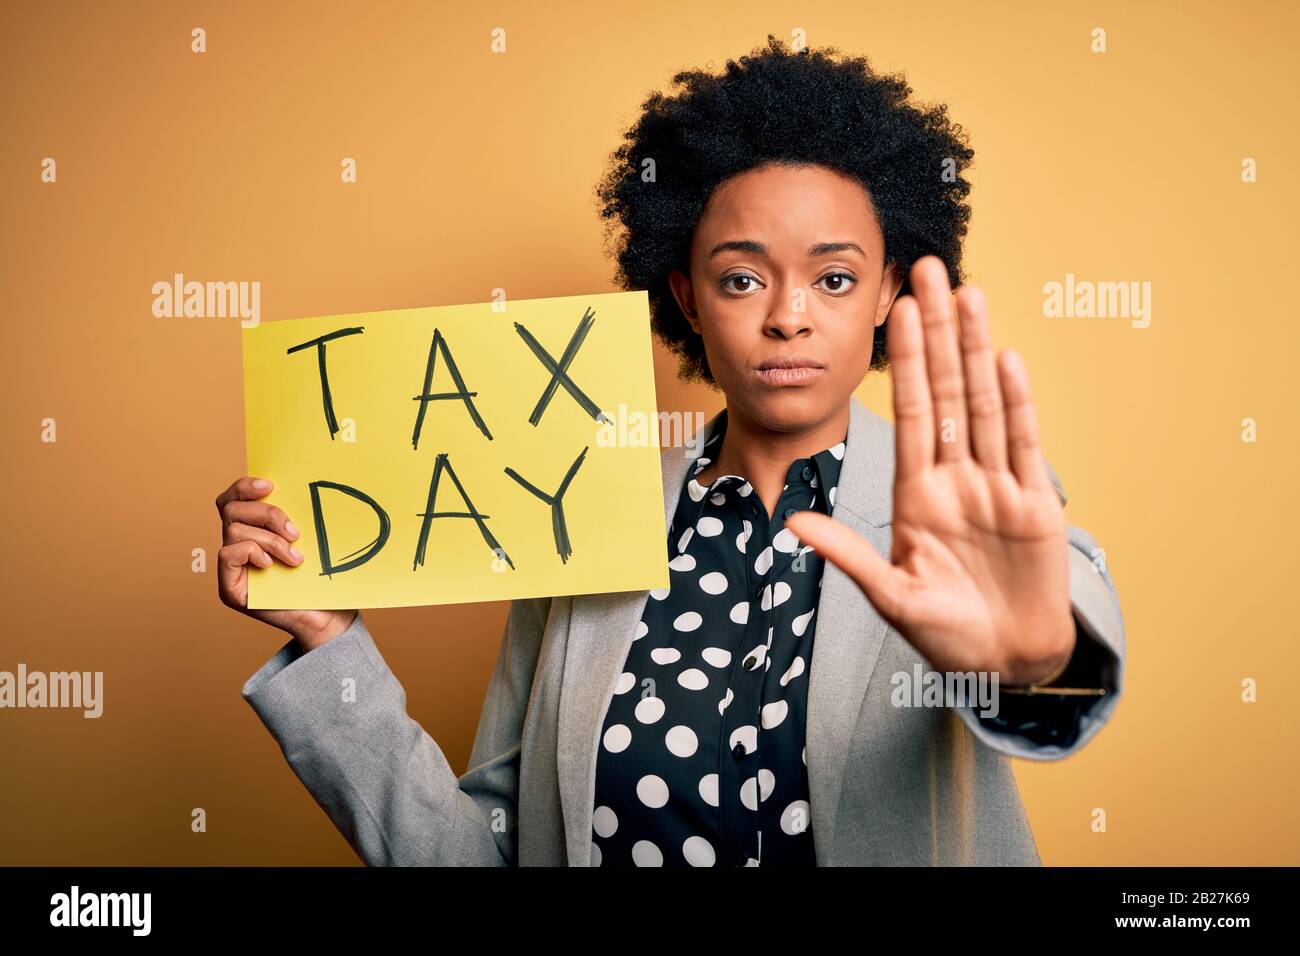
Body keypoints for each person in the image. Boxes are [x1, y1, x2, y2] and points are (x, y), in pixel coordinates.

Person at [217, 36, 1124, 866]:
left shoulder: (962, 497)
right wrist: (329, 645)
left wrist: (1038, 662)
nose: (788, 314)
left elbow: (1059, 645)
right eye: (741, 278)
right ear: (687, 297)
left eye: (835, 277)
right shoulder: (585, 515)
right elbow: (486, 852)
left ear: (889, 289)